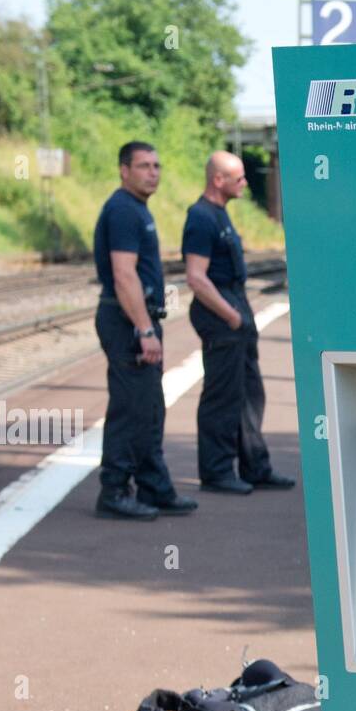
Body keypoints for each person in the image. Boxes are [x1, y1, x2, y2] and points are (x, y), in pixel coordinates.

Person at [93, 141, 198, 520]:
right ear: (124, 171)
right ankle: (114, 491)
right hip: (127, 322)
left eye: (156, 166)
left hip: (138, 319)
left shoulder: (136, 208)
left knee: (149, 407)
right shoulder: (123, 210)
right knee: (130, 408)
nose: (152, 172)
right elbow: (124, 274)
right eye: (143, 166)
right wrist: (144, 330)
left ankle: (154, 486)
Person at [182, 151, 295, 494]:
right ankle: (217, 472)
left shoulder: (220, 214)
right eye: (239, 177)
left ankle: (255, 467)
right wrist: (231, 316)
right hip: (222, 316)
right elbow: (196, 277)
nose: (245, 183)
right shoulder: (201, 217)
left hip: (236, 310)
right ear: (218, 180)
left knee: (249, 394)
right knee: (223, 396)